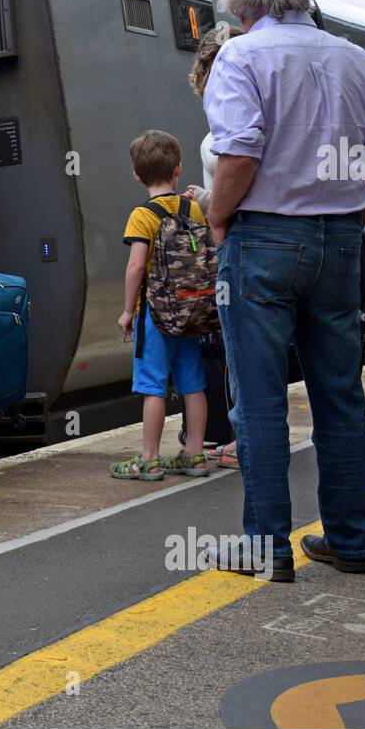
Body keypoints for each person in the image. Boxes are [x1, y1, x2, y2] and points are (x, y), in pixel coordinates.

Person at [202, 0, 365, 580]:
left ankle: (268, 547)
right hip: (340, 243)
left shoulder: (240, 57)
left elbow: (237, 153)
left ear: (245, 7)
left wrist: (216, 218)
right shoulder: (360, 60)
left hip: (262, 239)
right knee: (340, 397)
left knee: (259, 402)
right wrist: (356, 210)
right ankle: (349, 541)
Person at [110, 131, 211, 481]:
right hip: (191, 311)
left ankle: (149, 458)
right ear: (179, 169)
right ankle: (195, 454)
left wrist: (127, 311)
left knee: (153, 385)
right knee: (193, 383)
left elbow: (136, 266)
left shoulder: (142, 215)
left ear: (137, 175)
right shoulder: (193, 207)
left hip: (155, 314)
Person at [186, 21, 243, 470]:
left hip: (234, 243)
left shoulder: (229, 107)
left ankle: (244, 438)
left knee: (241, 350)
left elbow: (238, 171)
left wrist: (209, 206)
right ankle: (245, 434)